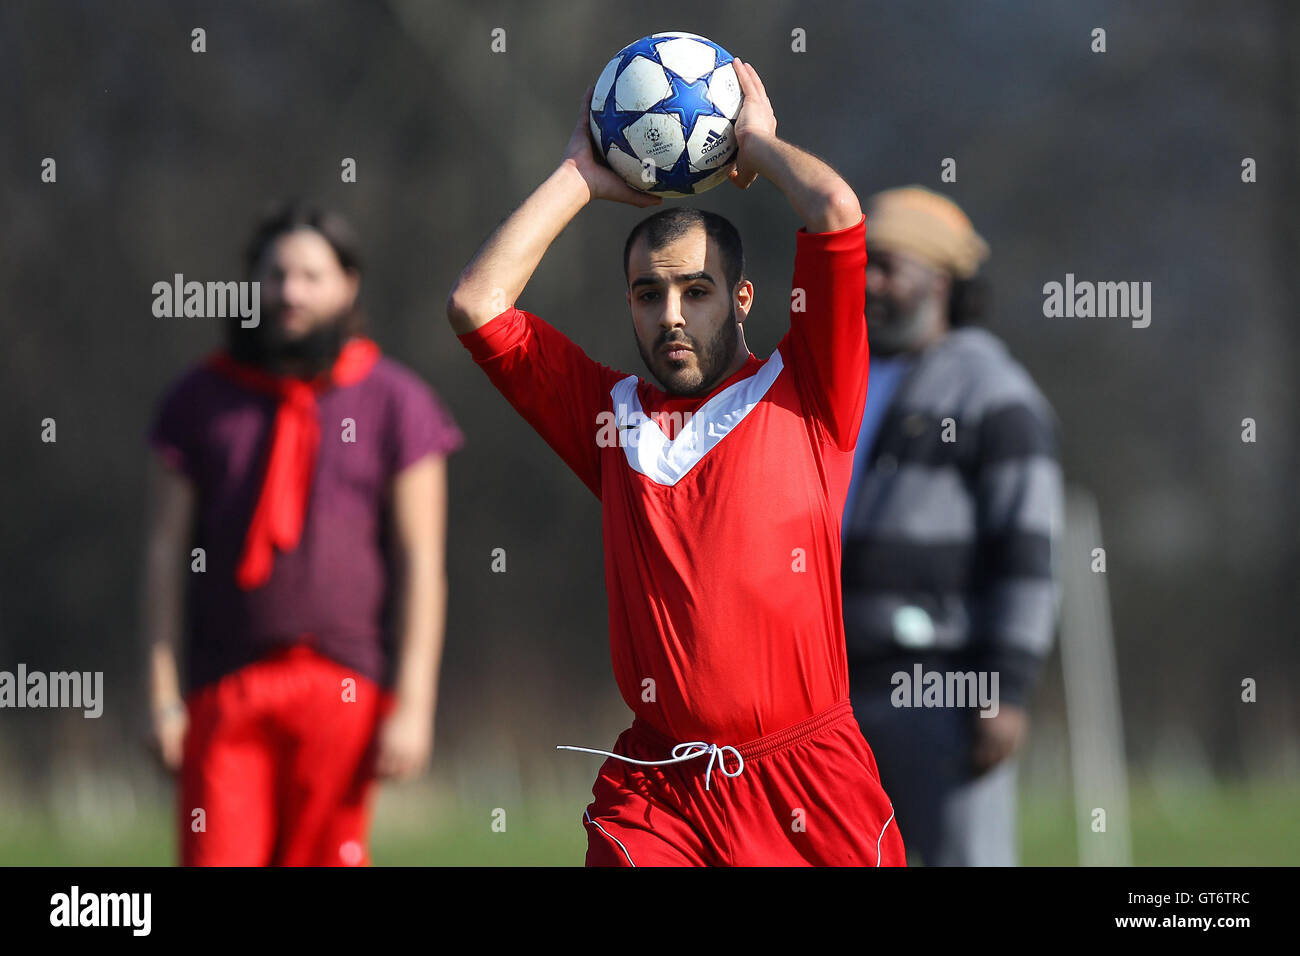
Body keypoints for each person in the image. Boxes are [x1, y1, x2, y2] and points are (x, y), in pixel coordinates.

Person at [447, 59, 903, 866]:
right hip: (662, 790)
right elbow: (478, 305)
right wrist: (577, 178)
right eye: (648, 295)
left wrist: (756, 145)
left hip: (809, 784)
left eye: (697, 291)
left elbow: (835, 210)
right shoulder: (611, 419)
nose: (671, 316)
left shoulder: (810, 392)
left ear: (743, 299)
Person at [143, 202, 464, 865]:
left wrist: (415, 704)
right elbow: (164, 556)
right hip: (224, 687)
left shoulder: (396, 401)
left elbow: (422, 562)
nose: (291, 292)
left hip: (345, 688)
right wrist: (161, 697)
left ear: (349, 285)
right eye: (276, 274)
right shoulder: (199, 400)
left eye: (312, 276)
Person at [841, 185, 1063, 866]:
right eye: (861, 266)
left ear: (939, 279)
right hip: (841, 691)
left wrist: (1006, 687)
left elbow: (1027, 550)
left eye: (887, 265)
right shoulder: (844, 374)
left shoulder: (992, 392)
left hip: (943, 690)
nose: (869, 283)